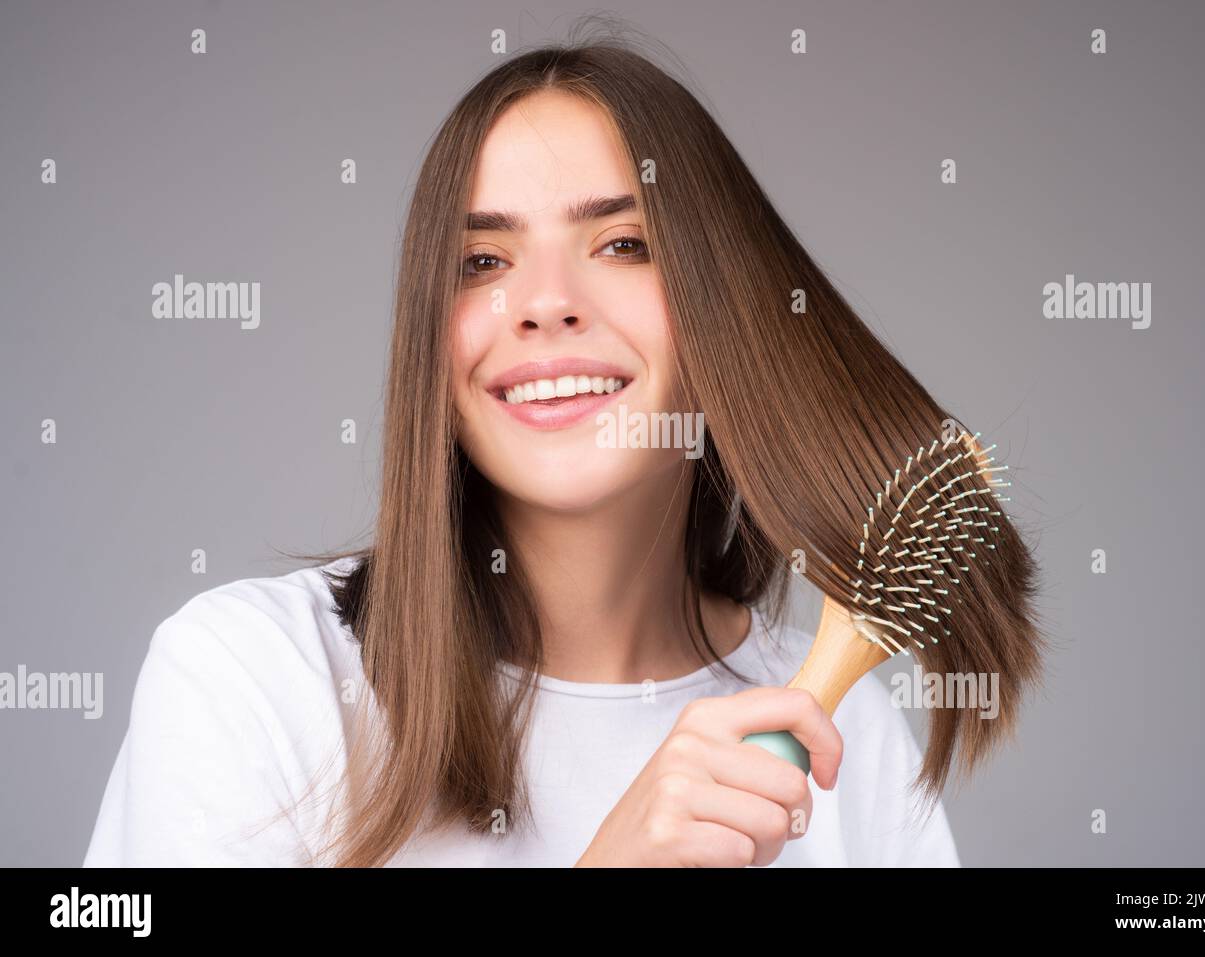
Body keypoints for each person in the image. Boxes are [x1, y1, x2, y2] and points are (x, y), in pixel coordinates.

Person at [84, 37, 970, 868]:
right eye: (482, 259)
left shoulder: (850, 745)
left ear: (722, 310)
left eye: (623, 244)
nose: (545, 302)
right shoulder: (250, 680)